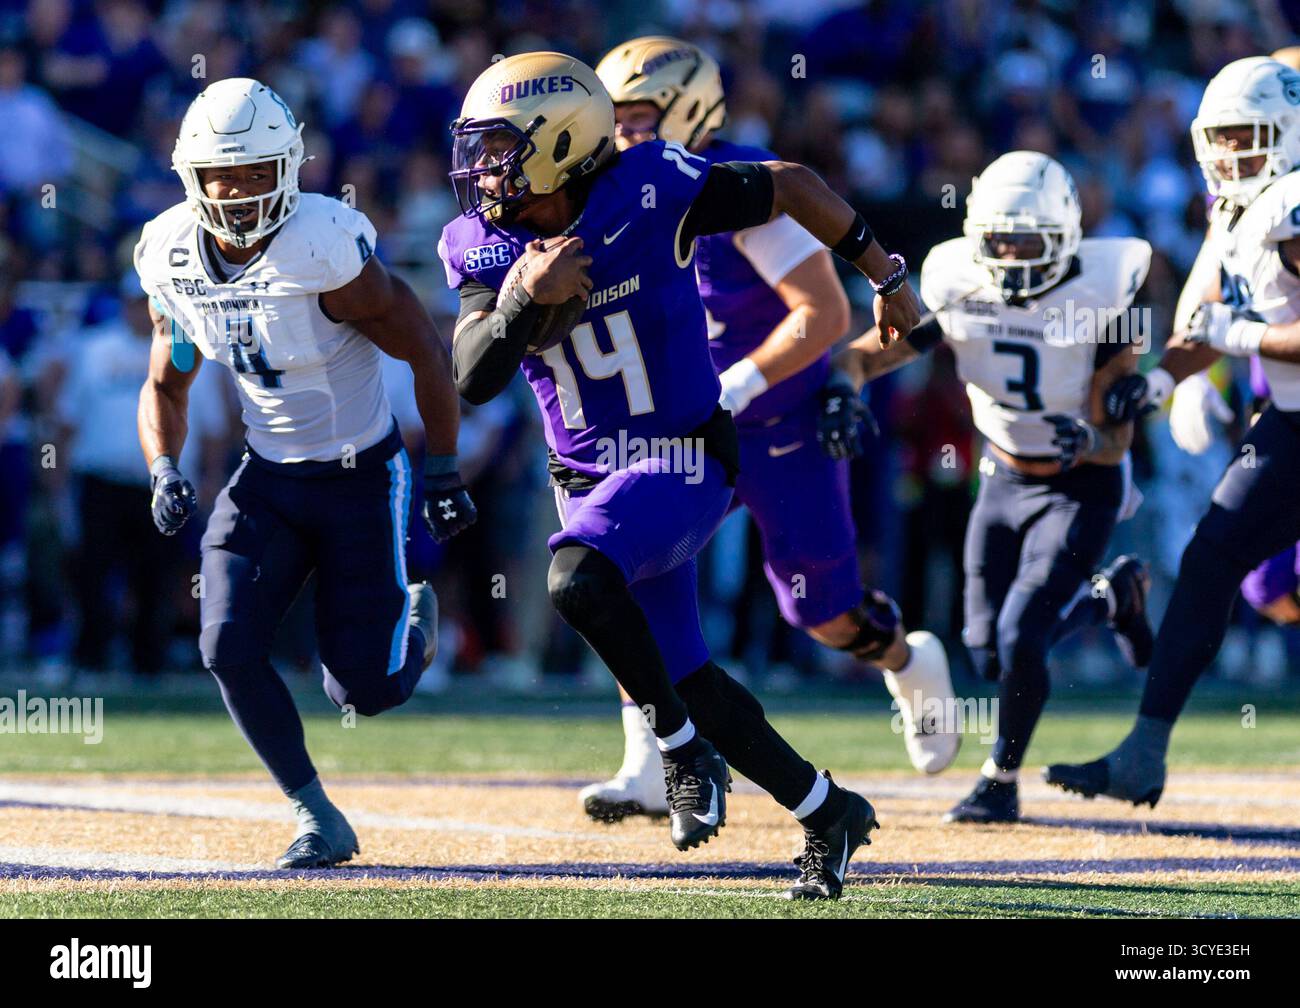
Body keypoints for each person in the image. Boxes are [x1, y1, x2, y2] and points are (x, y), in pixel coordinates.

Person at [439, 50, 921, 899]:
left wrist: (886, 273)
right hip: (588, 476)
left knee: (575, 582)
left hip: (685, 455)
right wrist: (522, 298)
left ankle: (677, 750)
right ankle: (827, 811)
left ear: (558, 143)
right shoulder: (482, 244)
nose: (483, 169)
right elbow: (473, 374)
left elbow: (792, 183)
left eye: (501, 147)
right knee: (689, 673)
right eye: (478, 149)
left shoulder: (653, 183)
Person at [575, 36, 959, 824]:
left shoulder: (734, 182)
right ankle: (649, 762)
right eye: (615, 120)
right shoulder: (617, 188)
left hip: (778, 420)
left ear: (689, 110)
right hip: (684, 428)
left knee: (820, 613)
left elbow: (824, 314)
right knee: (627, 570)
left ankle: (907, 658)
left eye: (640, 116)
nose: (624, 135)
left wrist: (738, 385)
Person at [134, 77, 475, 868]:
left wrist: (446, 466)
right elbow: (166, 383)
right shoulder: (171, 255)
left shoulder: (324, 247)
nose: (243, 190)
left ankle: (416, 626)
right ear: (194, 177)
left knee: (364, 691)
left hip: (363, 474)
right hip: (269, 477)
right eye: (227, 173)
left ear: (289, 170)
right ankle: (315, 813)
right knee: (224, 643)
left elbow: (426, 349)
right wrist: (163, 466)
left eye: (259, 171)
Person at [838, 151, 1154, 822]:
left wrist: (1090, 440)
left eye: (1025, 239)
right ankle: (1112, 598)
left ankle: (999, 780)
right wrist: (843, 381)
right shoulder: (957, 277)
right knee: (986, 652)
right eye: (997, 238)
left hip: (1082, 483)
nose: (1008, 253)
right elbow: (883, 347)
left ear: (1064, 234)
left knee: (1020, 635)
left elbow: (1119, 437)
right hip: (1001, 478)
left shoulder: (1106, 288)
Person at [1047, 57, 1300, 805]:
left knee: (1224, 559)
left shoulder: (1292, 204)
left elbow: (1244, 327)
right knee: (1213, 555)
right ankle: (1145, 751)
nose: (1227, 157)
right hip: (1289, 419)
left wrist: (1241, 337)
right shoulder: (1240, 207)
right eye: (1217, 140)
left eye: (1245, 139)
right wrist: (1163, 380)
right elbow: (1202, 322)